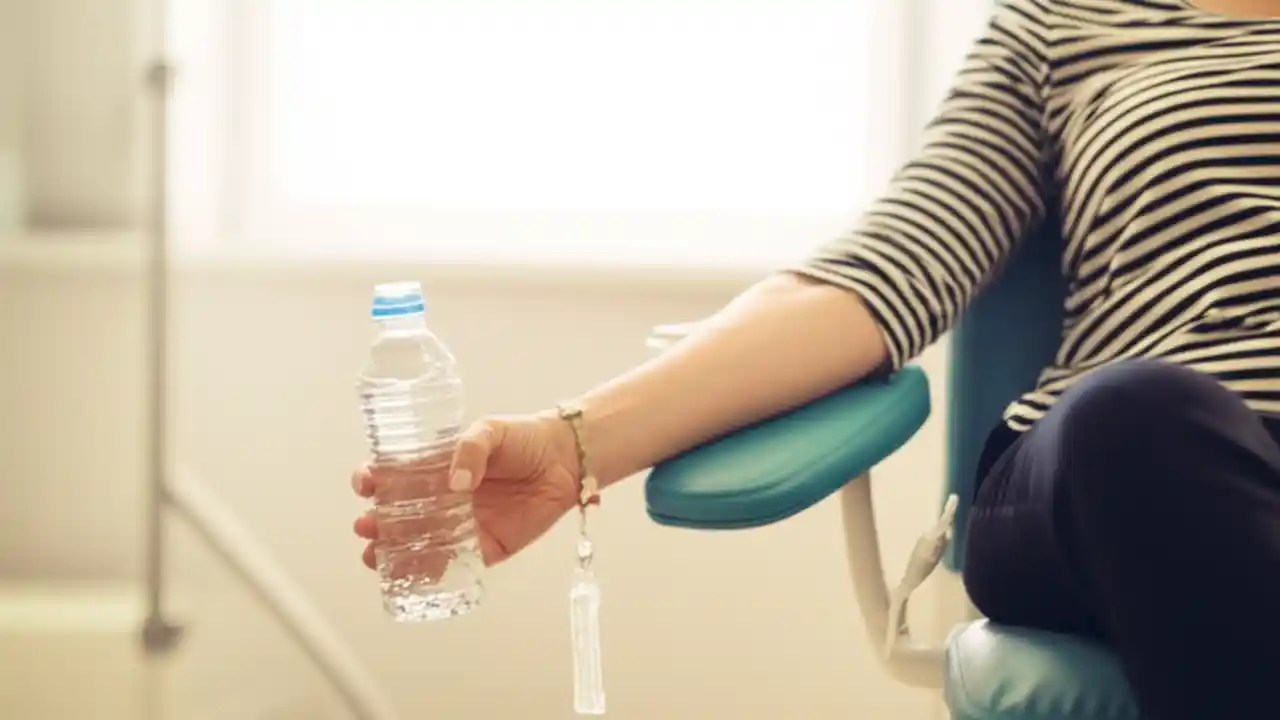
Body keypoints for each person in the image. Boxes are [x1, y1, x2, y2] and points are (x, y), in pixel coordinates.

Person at [352, 1, 1280, 717]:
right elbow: (887, 271)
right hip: (1139, 468)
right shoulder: (1065, 28)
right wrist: (573, 445)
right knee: (1142, 418)